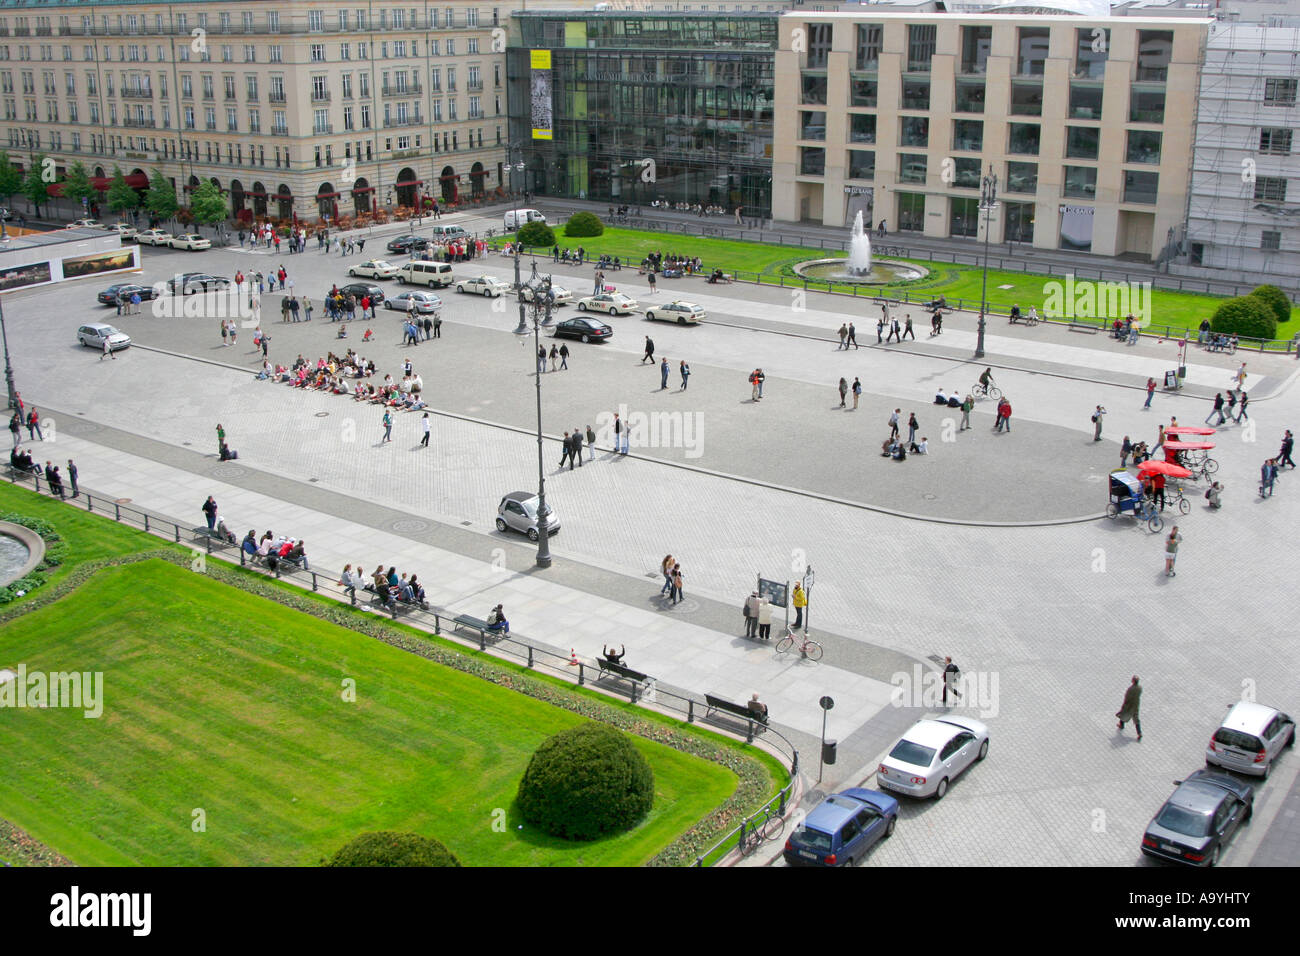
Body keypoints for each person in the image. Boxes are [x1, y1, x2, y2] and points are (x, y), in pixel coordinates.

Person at [1115, 676, 1142, 740]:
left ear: (1133, 681)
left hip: (1129, 705)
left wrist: (1124, 706)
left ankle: (1121, 725)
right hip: (1136, 704)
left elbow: (1127, 698)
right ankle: (1139, 733)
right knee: (1136, 718)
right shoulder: (1140, 688)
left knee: (1124, 714)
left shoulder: (1130, 689)